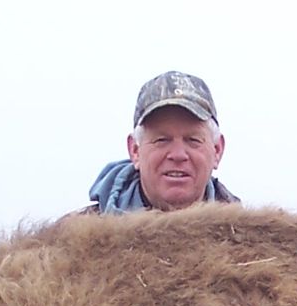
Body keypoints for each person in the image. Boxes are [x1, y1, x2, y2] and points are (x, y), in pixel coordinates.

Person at [85, 72, 239, 214]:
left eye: (193, 140)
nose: (178, 155)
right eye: (162, 140)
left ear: (217, 150)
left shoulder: (247, 234)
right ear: (135, 150)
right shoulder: (77, 233)